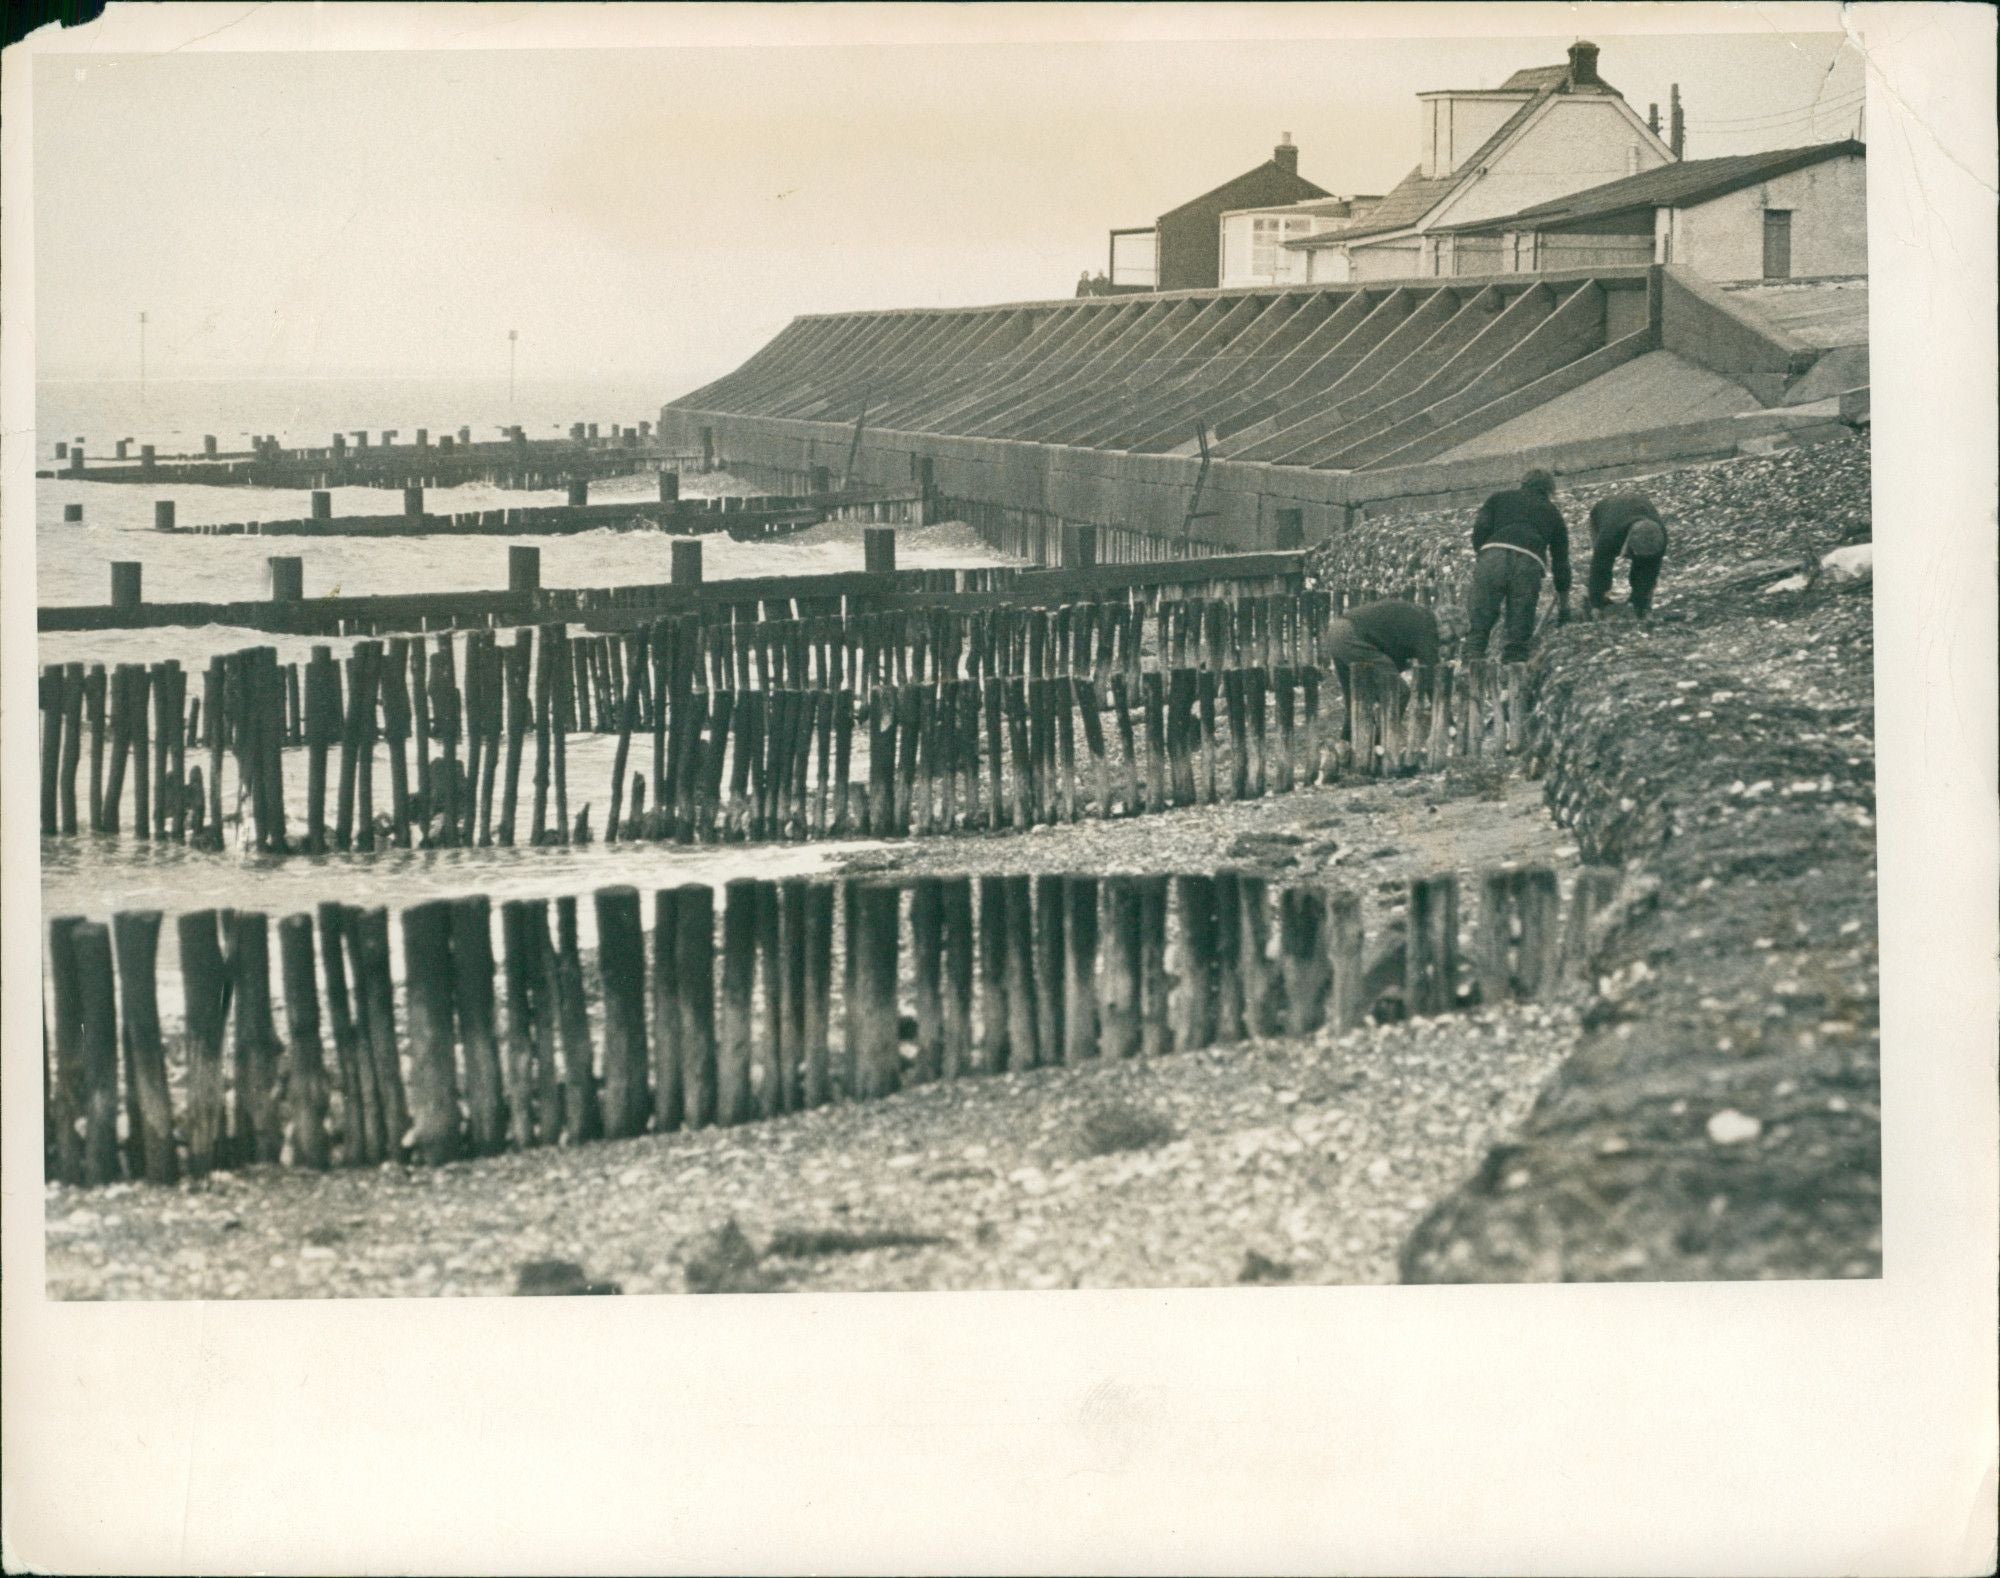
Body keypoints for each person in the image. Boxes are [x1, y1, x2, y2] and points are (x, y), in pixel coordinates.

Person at [1465, 468, 1571, 662]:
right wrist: (1564, 608)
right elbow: (1561, 562)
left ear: (1523, 482)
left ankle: (1472, 661)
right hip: (1529, 562)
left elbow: (1480, 530)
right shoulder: (1553, 513)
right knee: (1520, 622)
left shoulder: (1498, 498)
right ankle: (1513, 667)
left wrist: (1484, 555)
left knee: (1481, 615)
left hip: (1492, 555)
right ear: (1549, 490)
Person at [1325, 599, 1444, 733]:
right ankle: (1383, 743)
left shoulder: (1418, 615)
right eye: (1453, 637)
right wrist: (1446, 718)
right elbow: (1432, 674)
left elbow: (1389, 646)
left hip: (1336, 631)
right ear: (1445, 624)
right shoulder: (1428, 625)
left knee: (1356, 698)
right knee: (1398, 692)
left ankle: (1348, 743)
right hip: (1351, 636)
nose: (1449, 644)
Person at [1586, 491, 1670, 618]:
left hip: (1636, 508)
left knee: (1645, 568)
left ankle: (1639, 603)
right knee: (1603, 562)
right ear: (1628, 543)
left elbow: (1651, 570)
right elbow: (1599, 568)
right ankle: (1599, 602)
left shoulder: (1660, 537)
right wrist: (1596, 604)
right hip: (1602, 513)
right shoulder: (1609, 535)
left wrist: (1642, 602)